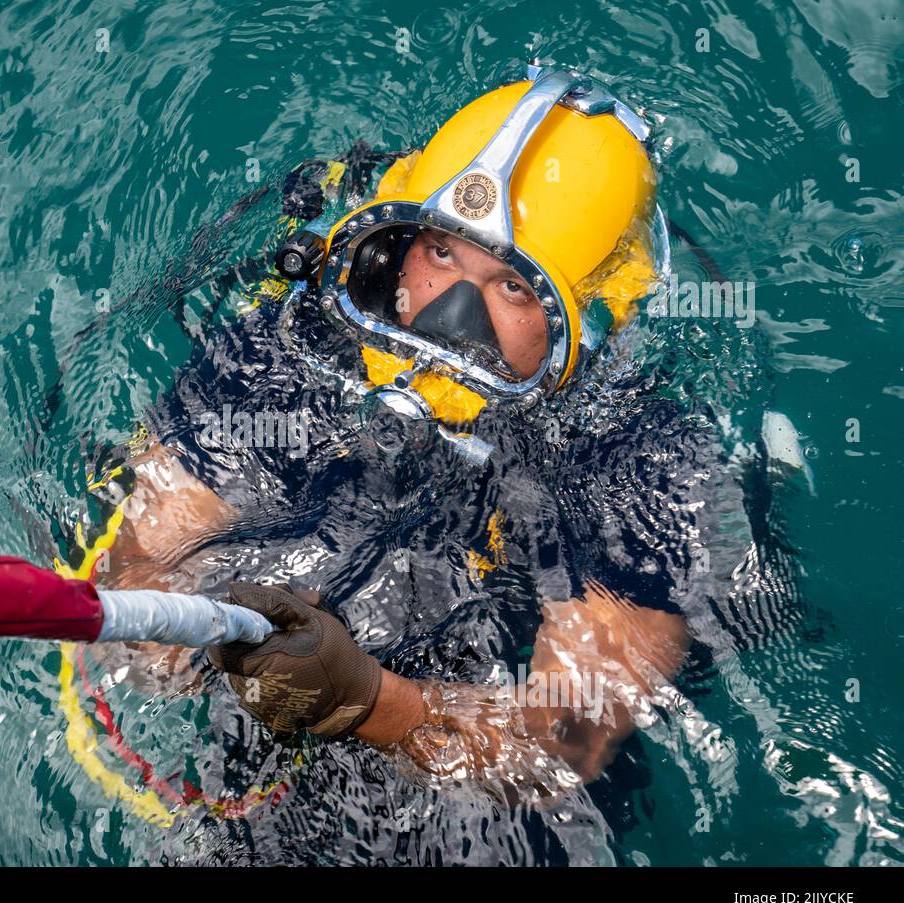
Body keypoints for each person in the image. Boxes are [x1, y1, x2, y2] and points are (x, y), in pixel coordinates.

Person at [84, 66, 725, 808]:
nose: (449, 316)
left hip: (465, 804)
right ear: (398, 238)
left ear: (593, 318)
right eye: (443, 252)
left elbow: (563, 749)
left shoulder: (640, 464)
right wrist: (195, 646)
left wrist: (369, 703)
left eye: (515, 287)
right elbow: (140, 576)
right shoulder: (285, 348)